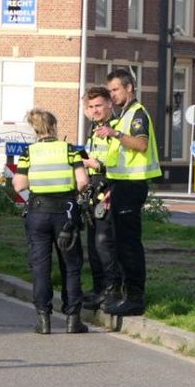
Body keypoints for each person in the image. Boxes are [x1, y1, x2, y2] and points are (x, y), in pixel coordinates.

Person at [12, 108, 90, 335]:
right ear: (54, 126)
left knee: (40, 267)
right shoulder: (69, 150)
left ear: (34, 129)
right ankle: (73, 320)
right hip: (66, 213)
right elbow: (83, 181)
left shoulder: (29, 153)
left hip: (38, 212)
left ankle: (43, 320)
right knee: (71, 266)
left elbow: (19, 185)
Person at [94, 69, 161, 316]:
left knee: (129, 244)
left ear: (129, 88)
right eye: (110, 91)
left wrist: (116, 134)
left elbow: (141, 144)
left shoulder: (137, 114)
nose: (112, 95)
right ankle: (124, 294)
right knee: (119, 243)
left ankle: (135, 298)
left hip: (132, 185)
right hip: (120, 185)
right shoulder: (124, 115)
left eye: (115, 90)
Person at [80, 86, 114, 309]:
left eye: (99, 105)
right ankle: (98, 289)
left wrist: (95, 164)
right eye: (91, 106)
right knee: (93, 245)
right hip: (94, 191)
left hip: (109, 190)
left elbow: (118, 164)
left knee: (104, 244)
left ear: (109, 104)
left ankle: (110, 291)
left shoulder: (114, 129)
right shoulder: (94, 129)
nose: (95, 110)